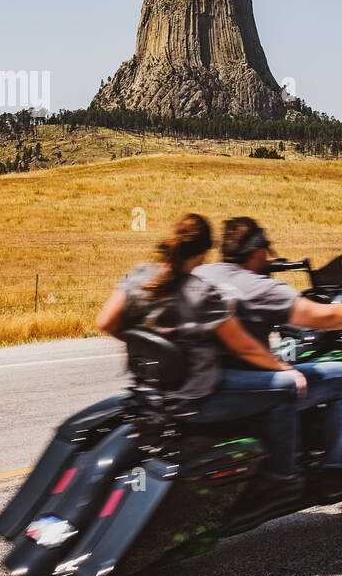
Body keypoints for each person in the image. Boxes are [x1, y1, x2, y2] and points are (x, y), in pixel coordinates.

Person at [94, 213, 307, 504]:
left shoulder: (140, 274)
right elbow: (245, 348)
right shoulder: (201, 293)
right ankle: (283, 478)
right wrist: (285, 369)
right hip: (193, 402)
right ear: (206, 253)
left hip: (145, 392)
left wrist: (148, 344)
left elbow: (106, 322)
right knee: (285, 390)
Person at [195, 216, 342, 502]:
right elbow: (325, 318)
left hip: (205, 380)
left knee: (281, 359)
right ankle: (335, 470)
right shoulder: (260, 288)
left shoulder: (204, 274)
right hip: (243, 384)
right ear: (258, 252)